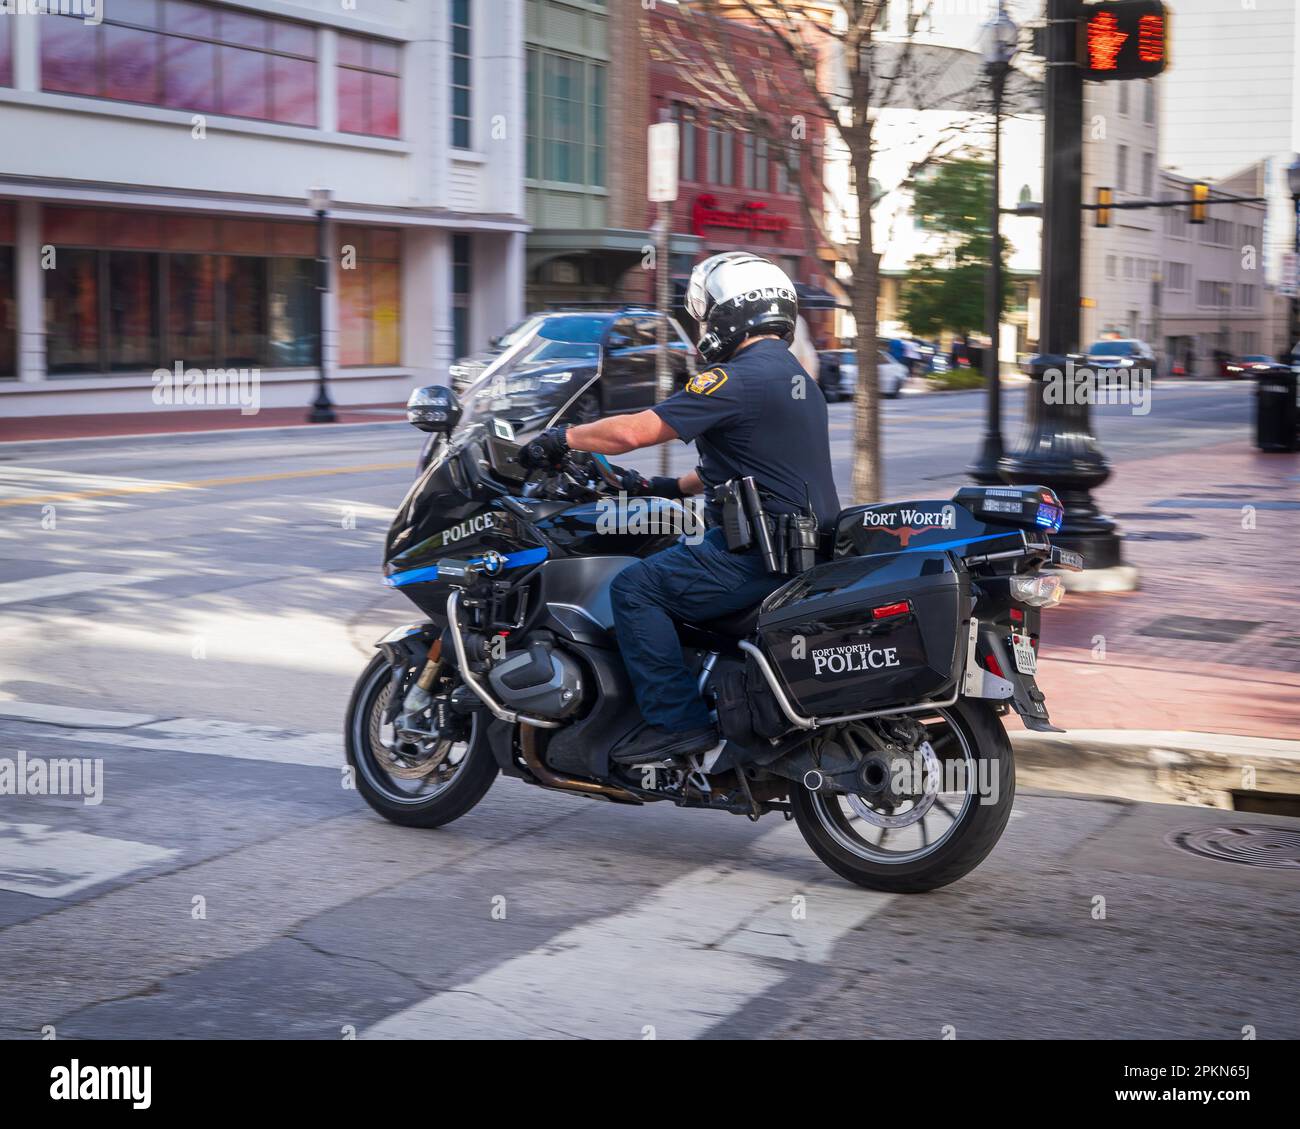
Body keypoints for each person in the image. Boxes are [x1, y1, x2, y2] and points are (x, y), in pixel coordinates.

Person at [517, 252, 839, 765]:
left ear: (731, 313)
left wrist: (561, 437)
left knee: (636, 588)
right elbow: (748, 464)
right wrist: (667, 486)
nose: (702, 325)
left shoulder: (735, 379)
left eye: (706, 314)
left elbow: (631, 431)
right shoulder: (797, 379)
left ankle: (674, 723)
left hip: (754, 554)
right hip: (795, 547)